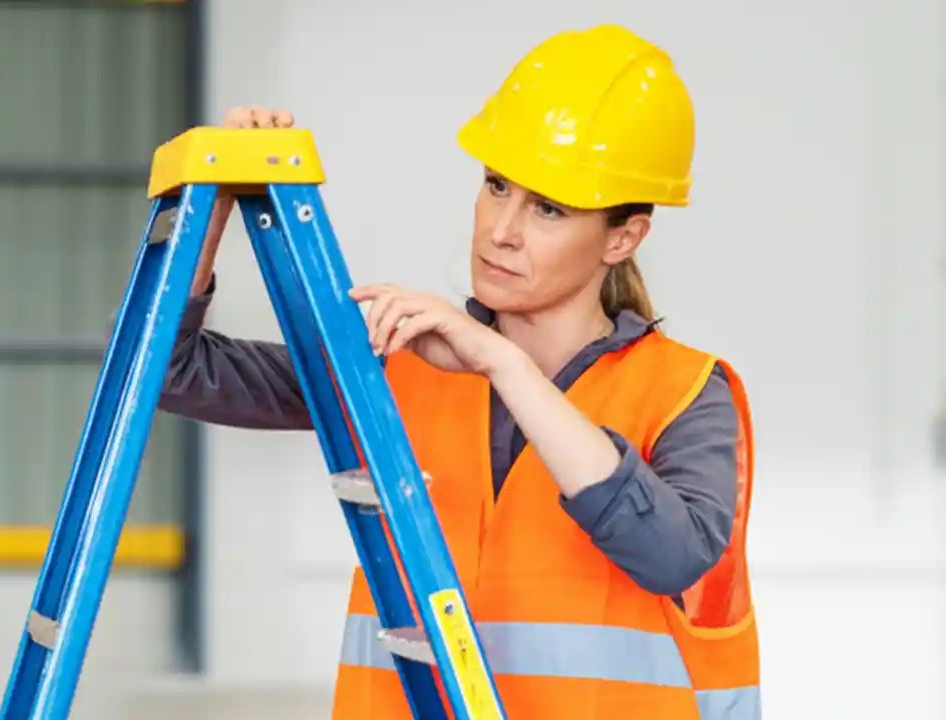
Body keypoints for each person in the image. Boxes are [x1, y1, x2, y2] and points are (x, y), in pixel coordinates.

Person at [158, 24, 760, 720]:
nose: (501, 230)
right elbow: (169, 369)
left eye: (549, 209)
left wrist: (501, 361)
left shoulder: (686, 392)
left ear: (622, 238)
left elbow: (671, 555)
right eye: (497, 186)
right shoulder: (402, 360)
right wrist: (217, 196)